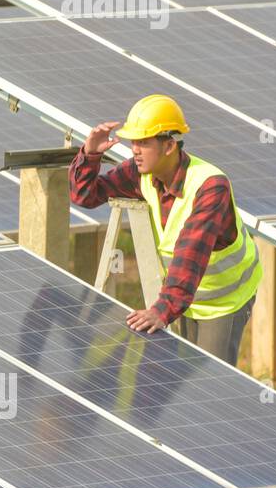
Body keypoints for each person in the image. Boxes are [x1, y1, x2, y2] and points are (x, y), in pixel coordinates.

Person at [71, 94, 261, 365]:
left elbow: (191, 252)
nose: (135, 150)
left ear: (169, 145)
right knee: (186, 380)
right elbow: (85, 195)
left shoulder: (210, 186)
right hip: (186, 295)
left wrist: (162, 310)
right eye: (134, 142)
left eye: (144, 143)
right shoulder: (141, 174)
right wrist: (90, 155)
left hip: (224, 298)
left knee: (211, 385)